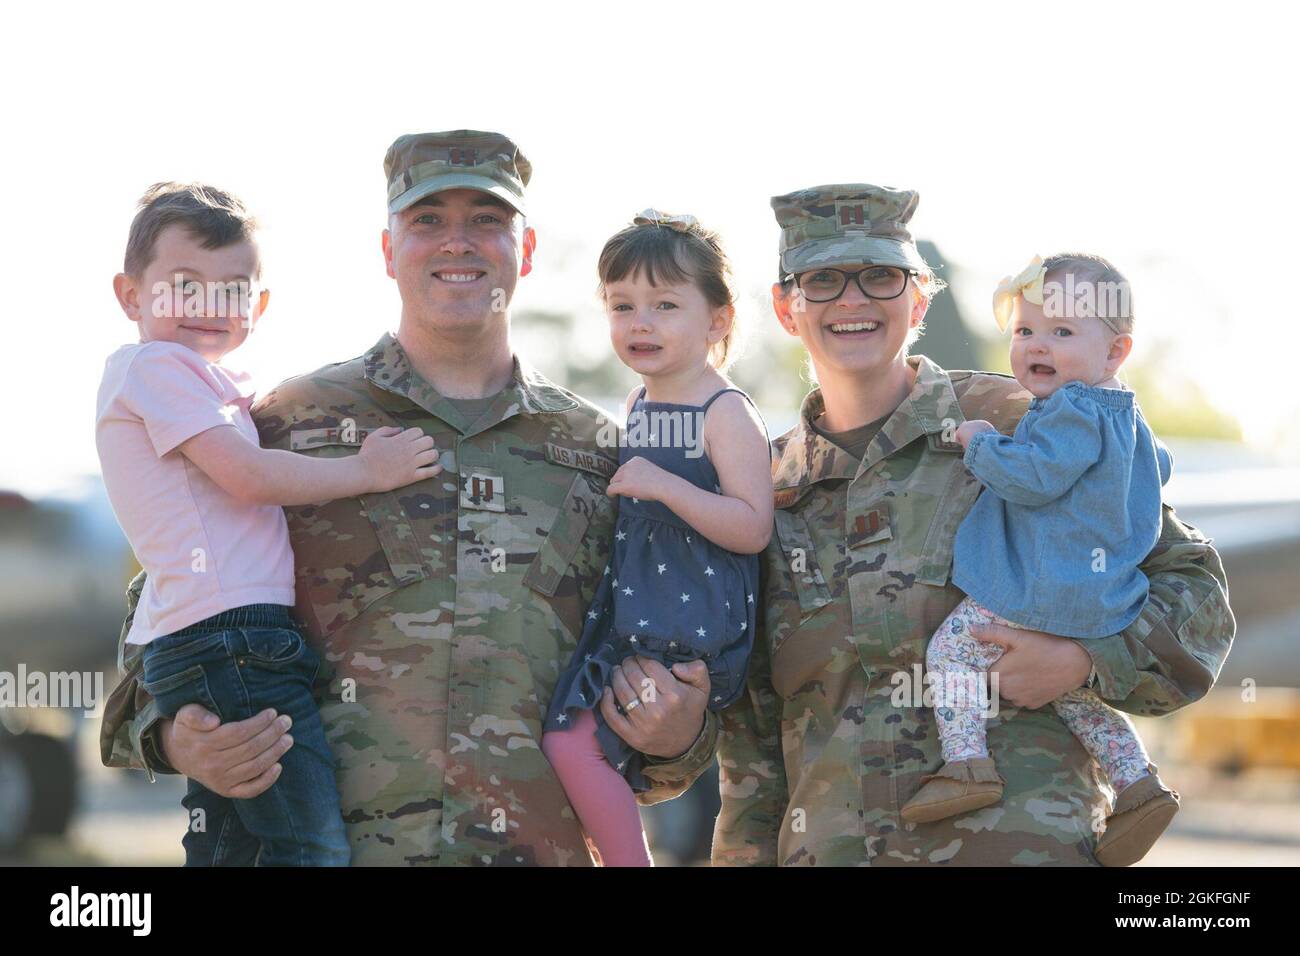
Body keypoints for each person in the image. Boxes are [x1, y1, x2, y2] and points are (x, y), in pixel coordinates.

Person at [100, 131, 717, 866]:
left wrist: (679, 735)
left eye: (486, 218)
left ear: (524, 252)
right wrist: (175, 737)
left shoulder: (604, 457)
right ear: (390, 251)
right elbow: (169, 615)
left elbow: (664, 670)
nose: (457, 242)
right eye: (427, 220)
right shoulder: (284, 427)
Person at [708, 183, 1235, 865]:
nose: (852, 300)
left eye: (880, 277)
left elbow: (1198, 599)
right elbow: (752, 744)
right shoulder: (763, 492)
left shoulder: (1034, 423)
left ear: (920, 298)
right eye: (822, 281)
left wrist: (1084, 659)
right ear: (786, 307)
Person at [97, 182, 440, 864]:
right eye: (184, 285)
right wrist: (367, 472)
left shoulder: (194, 380)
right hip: (232, 637)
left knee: (235, 844)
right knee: (308, 845)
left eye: (232, 290)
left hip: (216, 636)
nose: (208, 306)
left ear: (259, 306)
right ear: (131, 295)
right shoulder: (155, 367)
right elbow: (249, 479)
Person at [899, 252, 1180, 868]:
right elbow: (1158, 473)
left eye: (1061, 332)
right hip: (1097, 595)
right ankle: (1137, 784)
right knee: (1074, 694)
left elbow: (1032, 478)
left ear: (1115, 352)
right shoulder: (1129, 418)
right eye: (1025, 331)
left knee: (952, 651)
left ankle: (967, 762)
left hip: (1042, 583)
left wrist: (981, 442)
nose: (1036, 345)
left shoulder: (1070, 408)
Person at [541, 210, 773, 865]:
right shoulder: (638, 405)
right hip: (633, 616)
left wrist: (668, 488)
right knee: (568, 747)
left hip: (689, 628)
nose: (640, 322)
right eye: (622, 305)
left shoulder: (723, 410)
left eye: (665, 304)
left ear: (718, 320)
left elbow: (752, 526)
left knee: (572, 744)